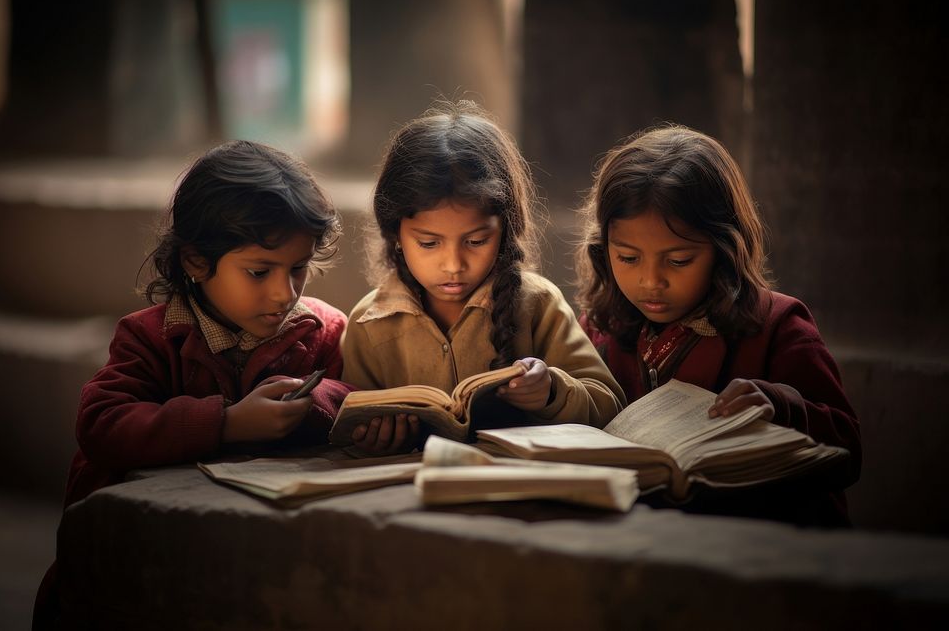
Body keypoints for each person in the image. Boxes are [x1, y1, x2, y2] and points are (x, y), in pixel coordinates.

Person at [34, 140, 353, 627]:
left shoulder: (322, 331)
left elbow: (348, 394)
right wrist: (226, 423)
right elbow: (101, 422)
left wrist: (315, 403)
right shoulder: (151, 337)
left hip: (255, 560)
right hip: (142, 563)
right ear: (195, 262)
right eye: (259, 271)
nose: (284, 293)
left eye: (298, 269)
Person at [575, 124, 861, 525]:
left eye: (678, 261)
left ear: (724, 249)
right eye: (628, 258)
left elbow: (847, 452)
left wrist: (781, 406)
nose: (651, 281)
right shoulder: (601, 330)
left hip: (760, 546)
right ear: (603, 250)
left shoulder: (777, 326)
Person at [340, 100, 624, 454]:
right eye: (428, 243)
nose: (454, 264)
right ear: (396, 234)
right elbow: (348, 421)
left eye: (476, 241)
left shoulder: (537, 305)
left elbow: (609, 402)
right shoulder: (370, 324)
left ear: (505, 229)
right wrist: (376, 437)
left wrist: (551, 390)